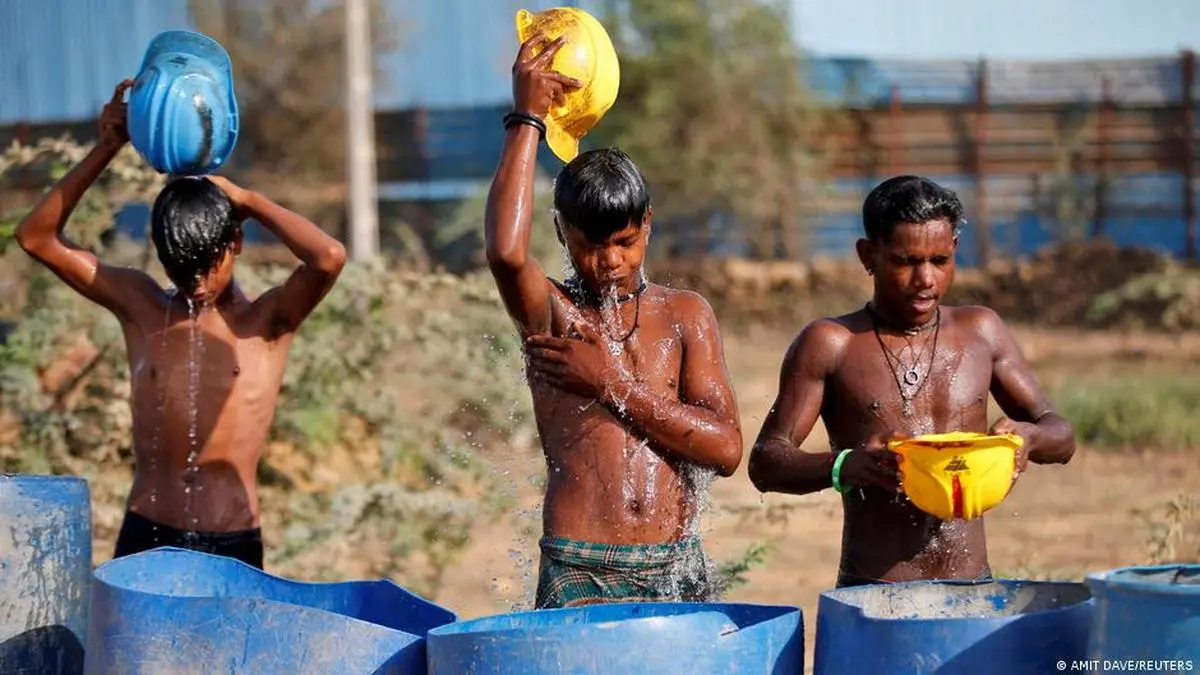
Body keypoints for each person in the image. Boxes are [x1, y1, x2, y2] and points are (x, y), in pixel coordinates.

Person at [15, 80, 347, 569]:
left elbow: (328, 257)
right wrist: (106, 148)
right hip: (147, 532)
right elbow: (36, 238)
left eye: (204, 266)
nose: (192, 283)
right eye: (177, 269)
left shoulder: (270, 321)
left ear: (235, 242)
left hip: (232, 542)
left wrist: (248, 199)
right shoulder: (140, 305)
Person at [487, 33, 744, 609]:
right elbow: (505, 253)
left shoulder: (685, 316)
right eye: (590, 246)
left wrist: (612, 383)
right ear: (561, 234)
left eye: (625, 243)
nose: (609, 262)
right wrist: (526, 118)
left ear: (648, 223)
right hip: (581, 563)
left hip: (674, 560)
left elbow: (726, 450)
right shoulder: (553, 314)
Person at [747, 175, 1076, 588]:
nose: (925, 279)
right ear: (869, 256)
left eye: (940, 261)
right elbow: (766, 461)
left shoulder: (981, 331)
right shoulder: (832, 343)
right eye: (905, 261)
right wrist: (847, 465)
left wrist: (1028, 437)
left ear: (955, 250)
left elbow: (1061, 434)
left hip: (973, 586)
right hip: (874, 589)